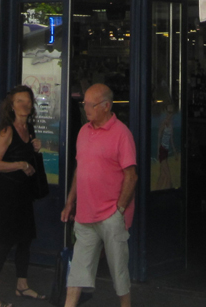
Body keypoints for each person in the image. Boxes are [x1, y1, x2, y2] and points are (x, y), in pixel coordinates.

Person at [59, 84, 137, 307]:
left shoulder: (122, 134)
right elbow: (80, 169)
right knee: (77, 272)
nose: (85, 109)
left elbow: (131, 176)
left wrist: (119, 210)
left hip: (111, 215)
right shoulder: (83, 131)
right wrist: (70, 203)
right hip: (85, 215)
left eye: (90, 105)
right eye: (84, 104)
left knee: (118, 271)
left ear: (106, 106)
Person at [0, 85, 43, 306]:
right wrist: (20, 164)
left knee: (25, 240)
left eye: (28, 101)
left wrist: (35, 148)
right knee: (4, 242)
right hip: (9, 195)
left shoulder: (29, 129)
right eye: (20, 101)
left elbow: (29, 159)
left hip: (24, 194)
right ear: (12, 106)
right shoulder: (7, 131)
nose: (25, 105)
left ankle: (22, 285)